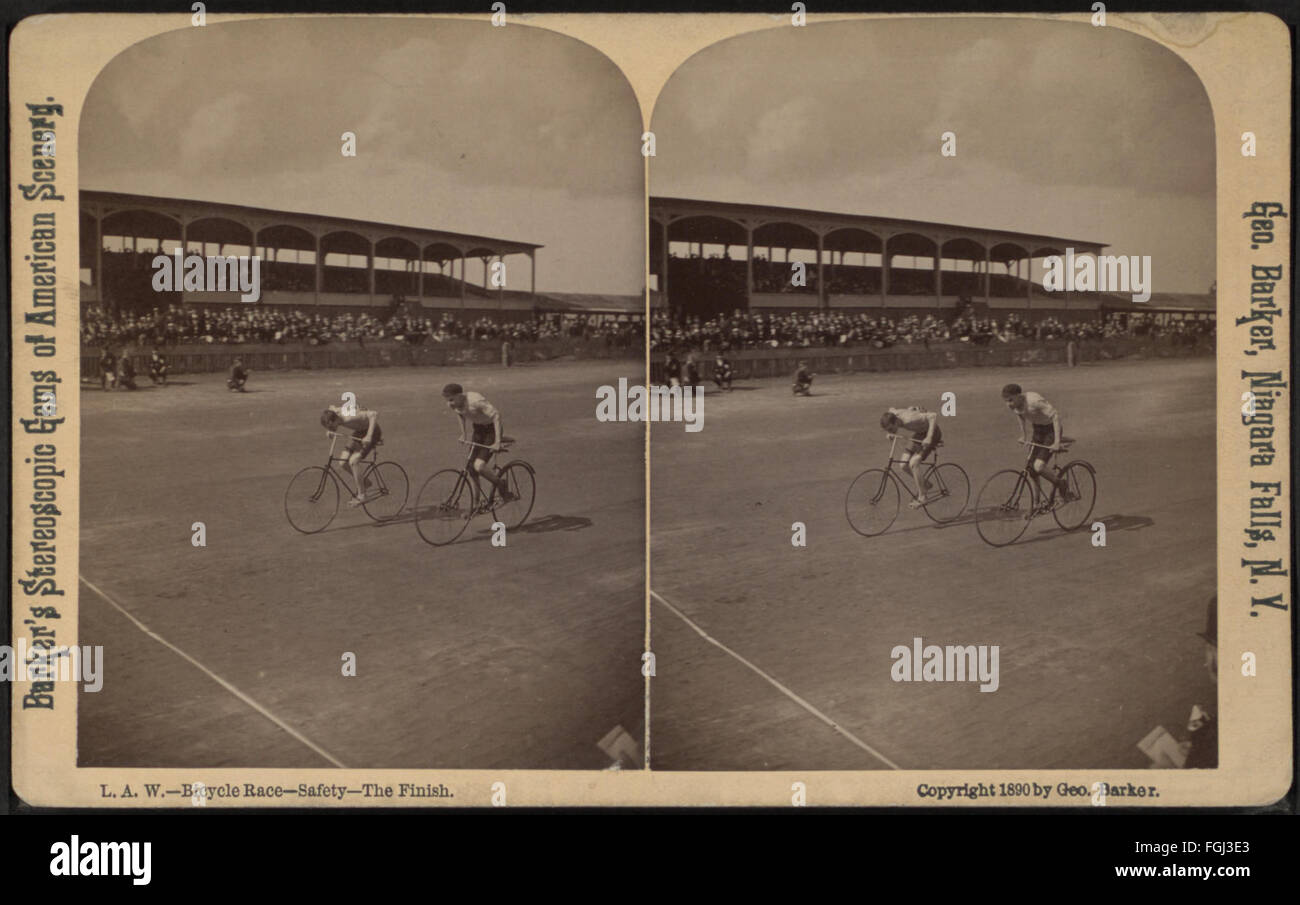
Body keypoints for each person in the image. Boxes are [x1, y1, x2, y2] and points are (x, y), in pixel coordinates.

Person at [1000, 383, 1072, 508]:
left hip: (1051, 430)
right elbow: (1020, 416)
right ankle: (1036, 504)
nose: (1008, 404)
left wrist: (1056, 441)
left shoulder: (1034, 400)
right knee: (1031, 470)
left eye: (1010, 400)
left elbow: (1055, 416)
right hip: (1038, 431)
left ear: (1019, 395)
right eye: (1006, 401)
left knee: (1038, 466)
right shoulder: (1015, 405)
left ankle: (1061, 484)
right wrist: (1024, 436)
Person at [441, 383, 513, 504]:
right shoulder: (455, 404)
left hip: (491, 431)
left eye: (451, 400)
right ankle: (476, 503)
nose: (449, 404)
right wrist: (463, 433)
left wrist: (497, 441)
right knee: (471, 469)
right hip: (478, 431)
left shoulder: (475, 400)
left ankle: (501, 484)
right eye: (447, 400)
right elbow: (460, 414)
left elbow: (496, 415)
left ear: (460, 395)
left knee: (479, 466)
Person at [321, 403, 381, 506]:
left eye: (331, 426)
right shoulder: (335, 414)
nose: (331, 428)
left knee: (353, 461)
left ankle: (362, 495)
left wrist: (369, 436)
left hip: (372, 431)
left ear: (335, 420)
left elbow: (373, 414)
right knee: (342, 463)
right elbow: (331, 407)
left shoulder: (349, 417)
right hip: (359, 431)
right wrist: (330, 430)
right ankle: (365, 482)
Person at [880, 407, 941, 508]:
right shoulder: (894, 415)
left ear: (896, 422)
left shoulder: (910, 419)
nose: (890, 431)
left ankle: (923, 497)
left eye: (891, 428)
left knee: (913, 462)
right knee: (903, 465)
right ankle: (925, 484)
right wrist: (890, 433)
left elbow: (933, 416)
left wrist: (929, 437)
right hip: (919, 433)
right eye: (888, 430)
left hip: (932, 433)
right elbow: (891, 409)